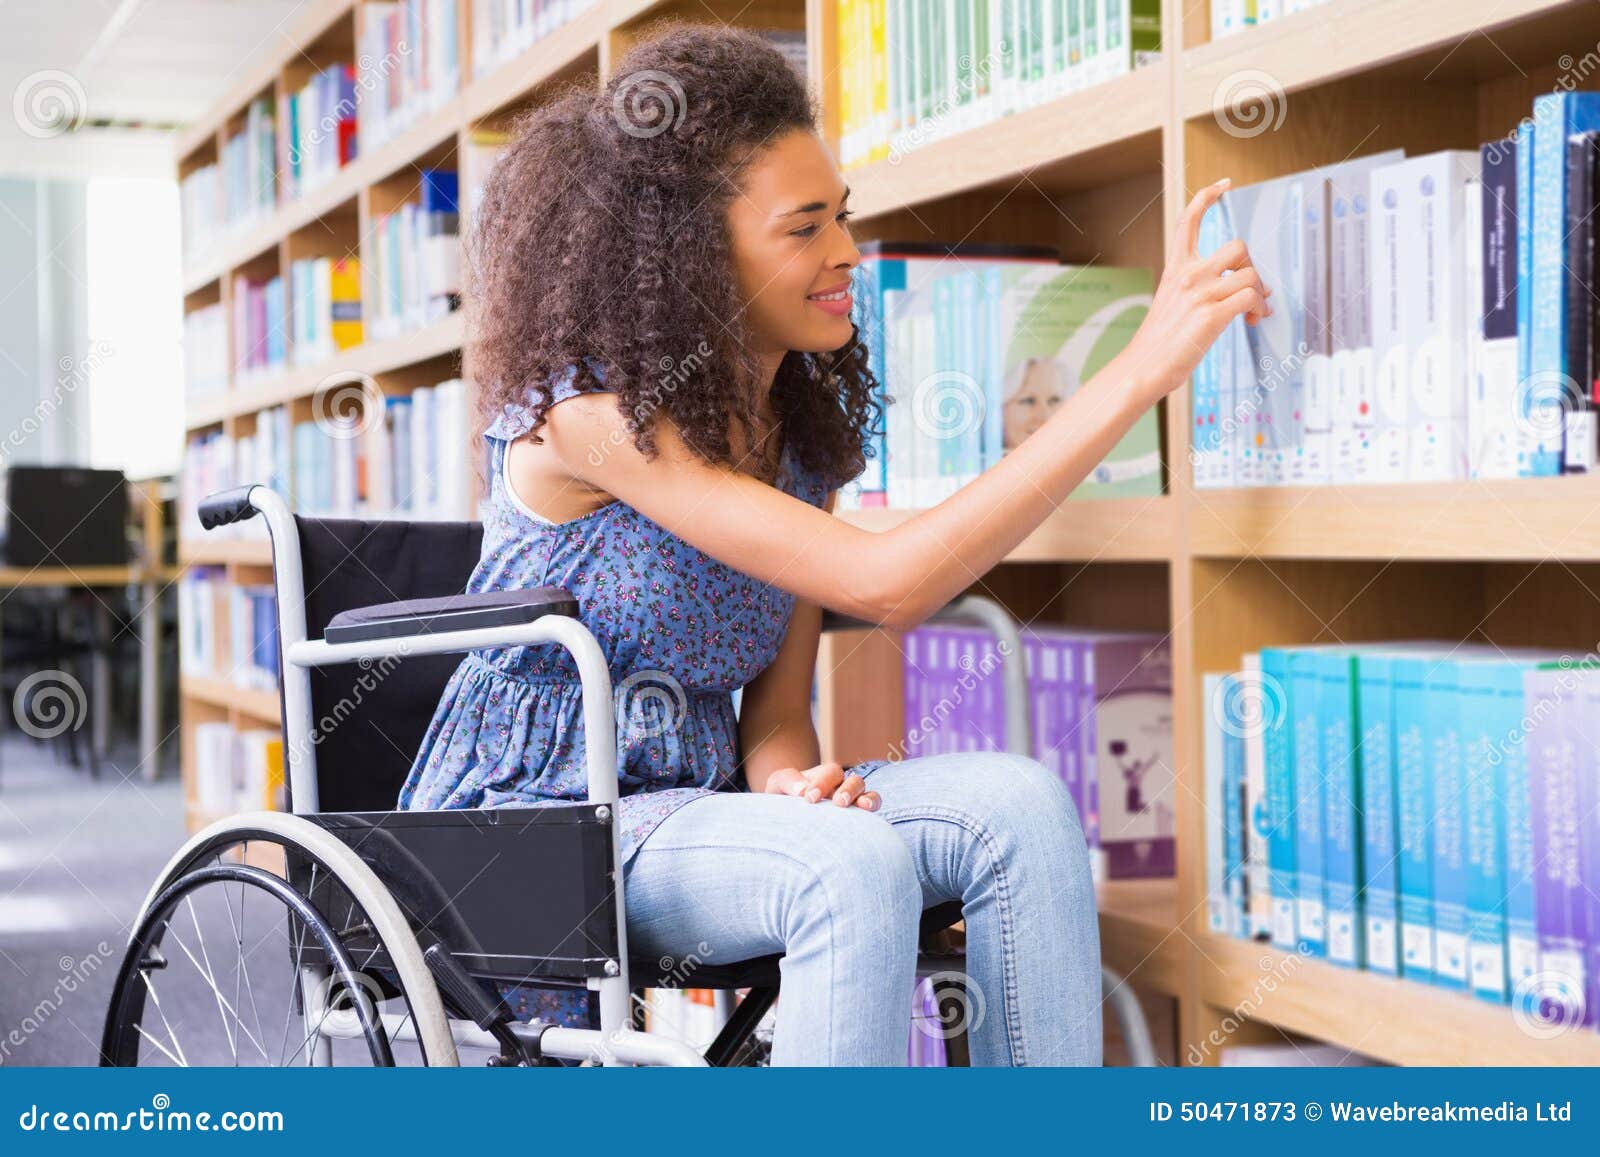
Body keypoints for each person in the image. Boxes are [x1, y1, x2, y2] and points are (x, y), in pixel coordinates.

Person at [397, 23, 1269, 1066]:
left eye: (841, 216)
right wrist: (1136, 373)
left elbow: (773, 716)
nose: (846, 252)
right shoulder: (592, 418)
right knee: (843, 864)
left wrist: (795, 786)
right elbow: (887, 582)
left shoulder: (797, 443)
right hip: (538, 825)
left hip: (696, 811)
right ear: (688, 258)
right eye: (804, 228)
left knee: (1023, 808)